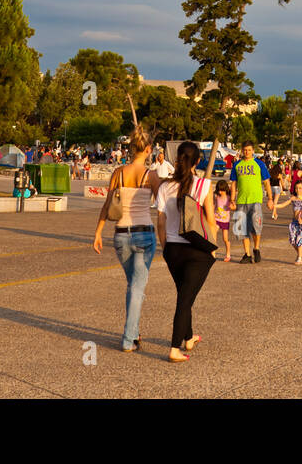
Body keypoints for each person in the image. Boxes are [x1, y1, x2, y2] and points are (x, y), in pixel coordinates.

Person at [93, 127, 160, 353]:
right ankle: (128, 338)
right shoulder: (150, 176)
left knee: (134, 285)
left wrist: (98, 232)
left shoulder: (118, 172)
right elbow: (164, 205)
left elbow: (107, 204)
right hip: (144, 234)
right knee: (137, 286)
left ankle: (135, 332)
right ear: (148, 150)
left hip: (120, 235)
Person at [155, 142, 218, 363]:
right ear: (198, 161)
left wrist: (165, 249)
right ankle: (174, 348)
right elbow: (210, 220)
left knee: (184, 292)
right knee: (185, 298)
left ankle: (189, 338)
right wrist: (212, 248)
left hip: (172, 249)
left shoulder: (164, 187)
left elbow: (160, 223)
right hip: (196, 250)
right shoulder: (203, 185)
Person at [229, 142, 273, 264]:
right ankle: (247, 254)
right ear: (242, 151)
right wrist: (232, 200)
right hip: (241, 201)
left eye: (249, 150)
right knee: (241, 229)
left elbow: (267, 182)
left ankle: (256, 248)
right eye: (245, 150)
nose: (247, 152)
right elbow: (233, 184)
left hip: (255, 200)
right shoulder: (237, 165)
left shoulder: (259, 164)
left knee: (256, 227)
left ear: (253, 150)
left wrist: (270, 199)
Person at [273, 180, 302, 264]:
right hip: (294, 223)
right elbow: (283, 204)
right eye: (296, 188)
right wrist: (274, 206)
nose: (298, 190)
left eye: (300, 188)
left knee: (299, 240)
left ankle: (299, 258)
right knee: (292, 241)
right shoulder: (293, 198)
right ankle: (300, 254)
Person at [212, 180, 233, 262]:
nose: (220, 192)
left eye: (222, 190)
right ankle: (213, 254)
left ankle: (228, 254)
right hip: (216, 219)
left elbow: (233, 206)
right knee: (213, 236)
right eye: (219, 190)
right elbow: (214, 206)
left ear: (225, 189)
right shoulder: (217, 197)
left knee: (225, 239)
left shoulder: (229, 197)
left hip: (225, 220)